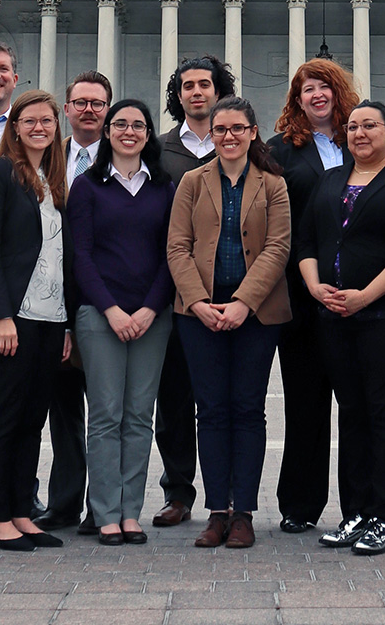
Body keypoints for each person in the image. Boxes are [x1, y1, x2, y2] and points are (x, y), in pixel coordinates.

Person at [298, 101, 385, 556]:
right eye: (353, 127)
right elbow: (308, 240)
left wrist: (364, 296)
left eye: (370, 126)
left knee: (384, 413)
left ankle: (383, 516)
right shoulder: (331, 179)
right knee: (351, 412)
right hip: (334, 315)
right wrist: (316, 287)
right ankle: (354, 511)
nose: (359, 133)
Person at [167, 97, 291, 549]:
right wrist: (198, 302)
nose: (229, 136)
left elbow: (279, 248)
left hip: (257, 315)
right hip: (199, 314)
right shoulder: (191, 181)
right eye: (221, 129)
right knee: (211, 411)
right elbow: (177, 247)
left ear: (253, 132)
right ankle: (217, 511)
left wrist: (242, 302)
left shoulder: (273, 184)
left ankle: (245, 513)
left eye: (238, 128)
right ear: (212, 134)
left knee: (247, 410)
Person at [0, 90, 78, 552]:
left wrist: (68, 323)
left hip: (51, 318)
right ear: (14, 127)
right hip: (11, 316)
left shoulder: (53, 179)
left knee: (33, 419)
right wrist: (0, 315)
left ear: (57, 128)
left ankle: (20, 511)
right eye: (29, 120)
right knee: (6, 417)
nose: (39, 127)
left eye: (47, 121)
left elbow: (60, 256)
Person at [70, 99, 175, 546]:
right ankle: (105, 512)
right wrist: (111, 309)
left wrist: (151, 308)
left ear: (149, 133)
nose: (129, 131)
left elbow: (175, 254)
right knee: (105, 416)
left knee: (139, 417)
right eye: (121, 124)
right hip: (100, 315)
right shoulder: (87, 187)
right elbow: (81, 255)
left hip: (154, 316)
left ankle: (131, 512)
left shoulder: (166, 188)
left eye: (138, 124)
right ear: (108, 132)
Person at [267, 58, 357, 535]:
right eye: (307, 89)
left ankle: (359, 506)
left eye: (324, 86)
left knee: (357, 403)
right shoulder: (280, 150)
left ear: (338, 91)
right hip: (301, 292)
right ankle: (299, 503)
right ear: (296, 100)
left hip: (359, 290)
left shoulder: (362, 138)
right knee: (305, 402)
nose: (316, 95)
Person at [152, 55, 232, 528]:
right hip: (178, 294)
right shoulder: (159, 151)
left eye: (205, 84)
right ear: (178, 95)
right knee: (176, 399)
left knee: (227, 401)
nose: (196, 92)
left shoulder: (241, 144)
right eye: (188, 86)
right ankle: (178, 491)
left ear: (219, 91)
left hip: (233, 291)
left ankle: (228, 495)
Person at [35, 70, 114, 535]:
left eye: (97, 103)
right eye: (80, 102)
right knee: (63, 414)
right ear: (67, 110)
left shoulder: (125, 157)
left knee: (107, 412)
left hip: (107, 302)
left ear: (107, 109)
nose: (88, 110)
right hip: (56, 304)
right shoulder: (46, 159)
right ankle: (64, 503)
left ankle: (101, 506)